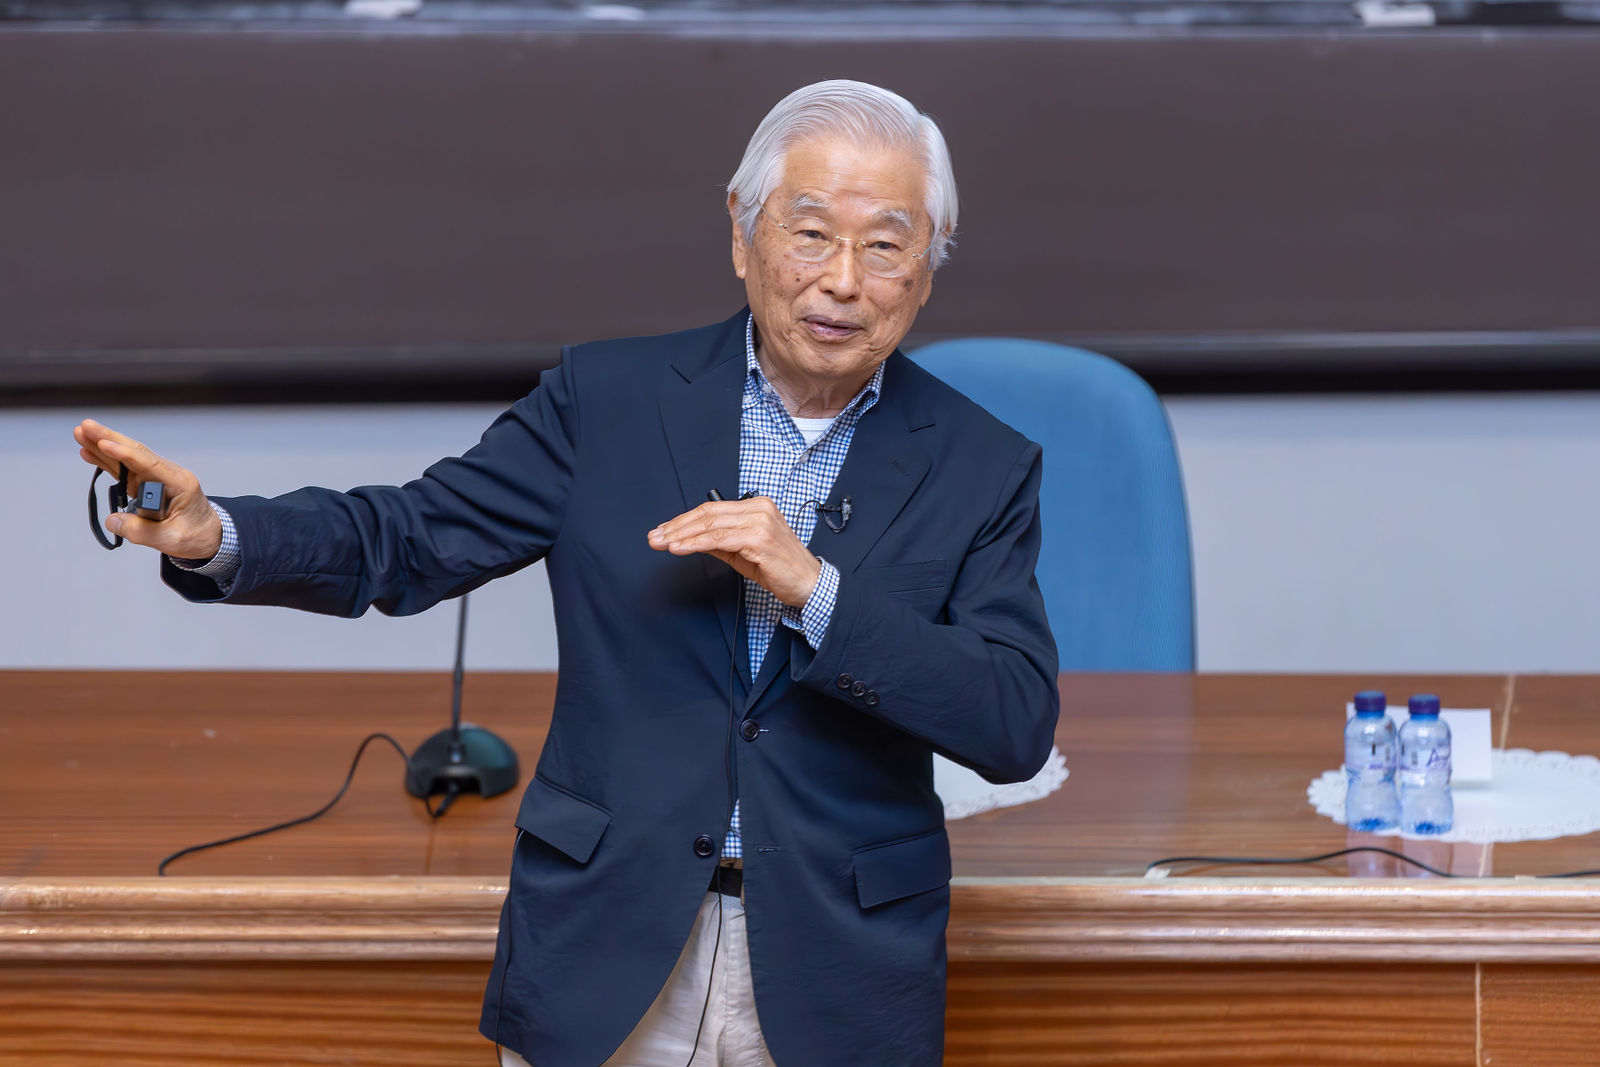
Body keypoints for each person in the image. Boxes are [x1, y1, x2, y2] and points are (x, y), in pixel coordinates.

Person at [74, 79, 1059, 1067]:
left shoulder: (982, 462)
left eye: (885, 246)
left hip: (839, 972)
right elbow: (409, 535)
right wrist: (216, 533)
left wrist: (815, 589)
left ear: (925, 272)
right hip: (607, 941)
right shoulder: (607, 400)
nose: (843, 279)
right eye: (810, 234)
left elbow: (1011, 721)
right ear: (741, 233)